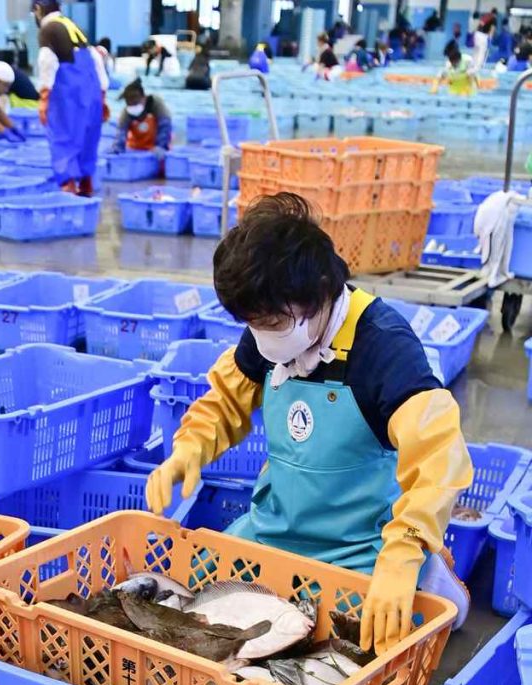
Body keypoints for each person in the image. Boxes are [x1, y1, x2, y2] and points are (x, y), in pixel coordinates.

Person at [145, 194, 472, 656]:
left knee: (375, 637)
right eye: (254, 323)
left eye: (275, 322)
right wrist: (188, 451)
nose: (264, 335)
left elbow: (439, 456)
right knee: (193, 600)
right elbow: (223, 402)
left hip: (360, 542)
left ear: (320, 289)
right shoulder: (270, 327)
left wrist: (403, 551)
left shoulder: (383, 345)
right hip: (274, 529)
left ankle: (431, 570)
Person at [33, 0, 108, 197]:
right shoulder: (73, 26)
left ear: (38, 9)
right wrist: (102, 96)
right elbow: (96, 57)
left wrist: (43, 98)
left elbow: (46, 61)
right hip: (90, 89)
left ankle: (68, 188)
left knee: (62, 136)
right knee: (86, 135)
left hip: (68, 92)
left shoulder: (49, 29)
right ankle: (85, 184)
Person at [110, 79, 172, 156]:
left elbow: (165, 125)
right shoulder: (126, 112)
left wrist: (161, 146)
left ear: (144, 98)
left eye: (136, 103)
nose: (133, 107)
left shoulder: (156, 104)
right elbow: (121, 132)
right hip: (136, 148)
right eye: (130, 104)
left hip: (156, 147)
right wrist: (117, 148)